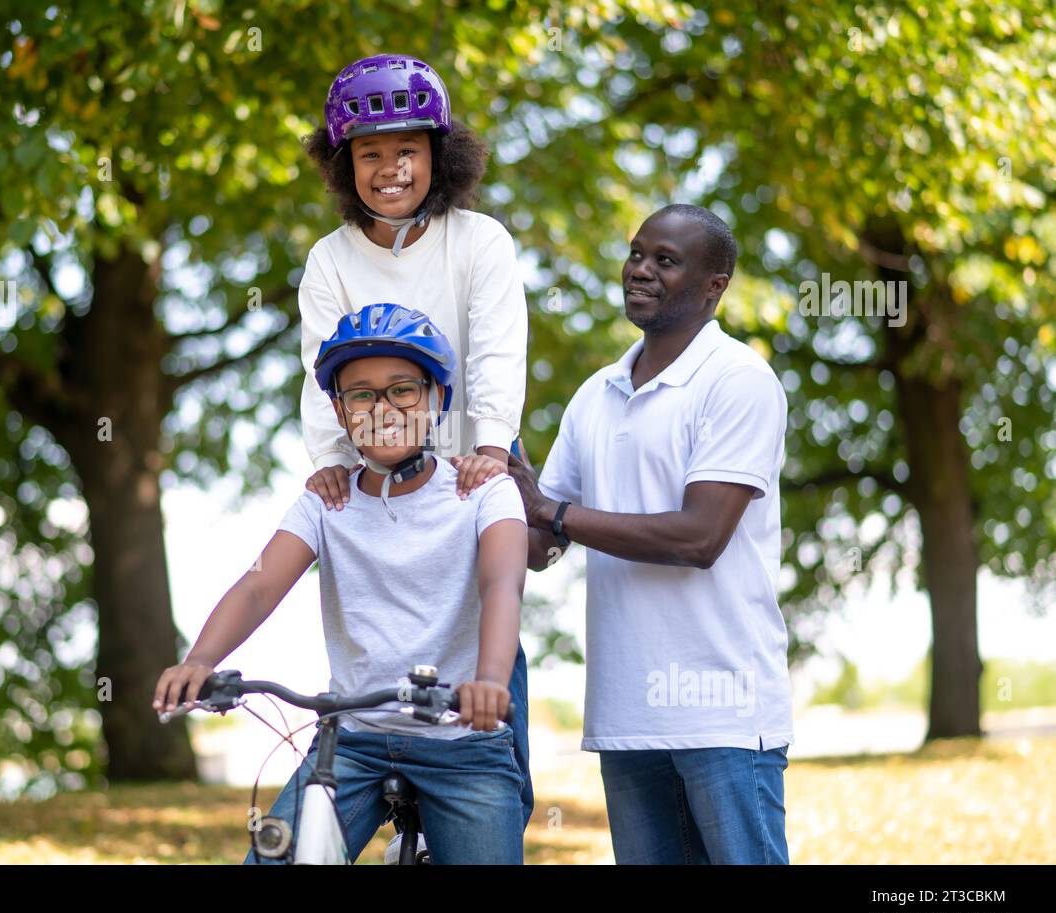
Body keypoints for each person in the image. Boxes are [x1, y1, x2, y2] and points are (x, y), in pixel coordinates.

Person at [154, 303, 528, 864]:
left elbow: (503, 584)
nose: (383, 409)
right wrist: (200, 659)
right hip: (354, 740)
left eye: (402, 389)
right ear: (339, 409)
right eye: (361, 394)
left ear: (435, 399)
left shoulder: (480, 492)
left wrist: (492, 682)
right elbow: (258, 585)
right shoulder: (328, 501)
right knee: (275, 857)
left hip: (461, 746)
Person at [507, 205, 794, 864]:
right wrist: (481, 480)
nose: (640, 269)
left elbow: (700, 538)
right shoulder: (595, 394)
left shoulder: (738, 380)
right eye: (637, 253)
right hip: (627, 717)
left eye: (665, 260)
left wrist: (550, 512)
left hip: (724, 714)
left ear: (714, 285)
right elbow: (538, 545)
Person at [296, 53, 536, 825]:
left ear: (441, 154)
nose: (390, 168)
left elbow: (498, 346)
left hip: (471, 465)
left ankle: (490, 778)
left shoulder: (480, 241)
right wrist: (331, 463)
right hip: (367, 459)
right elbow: (318, 368)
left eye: (407, 149)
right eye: (369, 153)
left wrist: (491, 447)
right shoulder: (330, 260)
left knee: (485, 620)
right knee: (377, 615)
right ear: (344, 166)